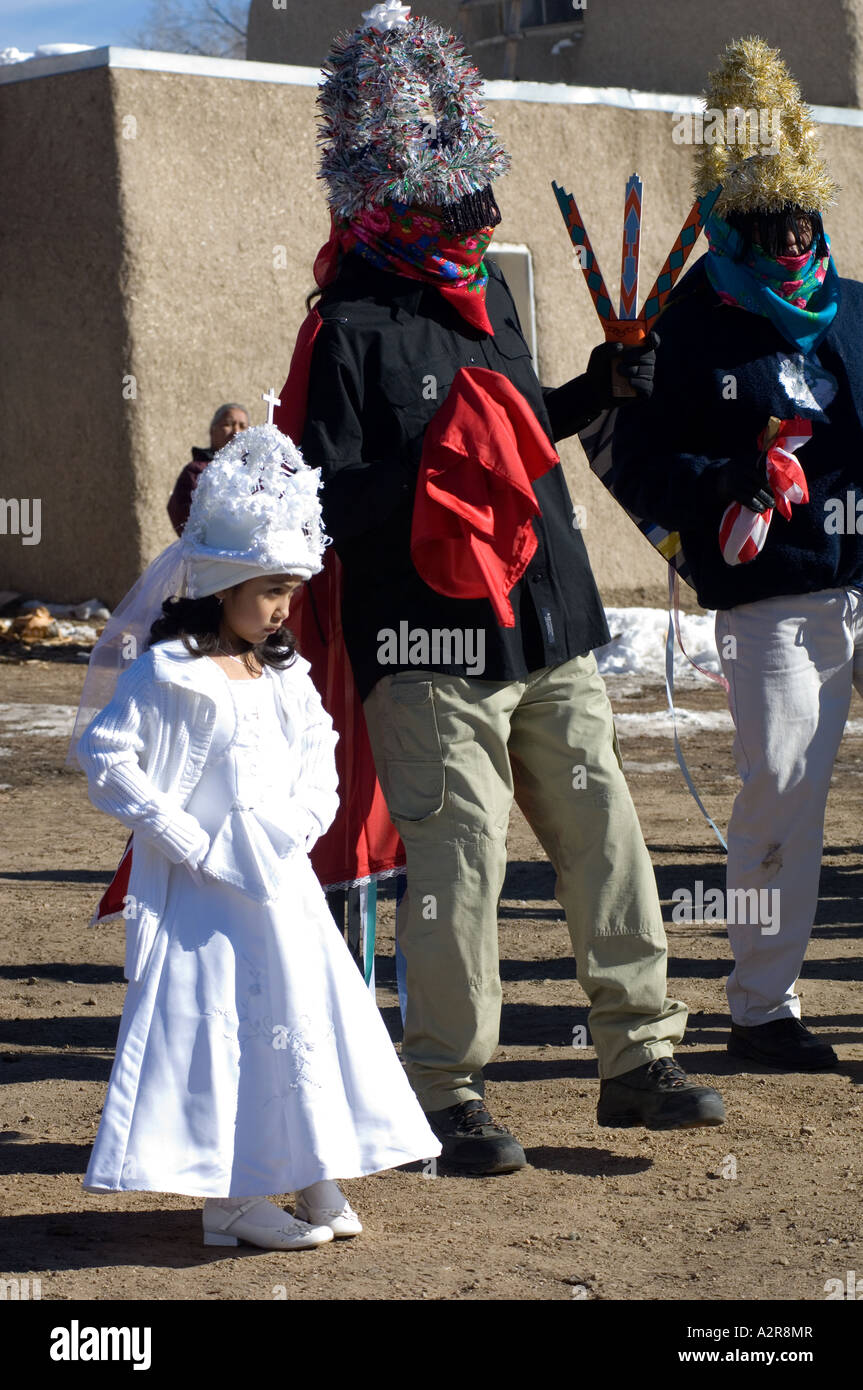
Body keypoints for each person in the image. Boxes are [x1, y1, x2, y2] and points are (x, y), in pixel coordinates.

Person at [280, 6, 725, 1176]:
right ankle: (444, 1087)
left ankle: (638, 1058)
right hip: (427, 652)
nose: (474, 226)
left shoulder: (490, 302)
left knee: (606, 836)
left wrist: (591, 389)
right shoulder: (347, 331)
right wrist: (436, 480)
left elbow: (522, 436)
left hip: (551, 628)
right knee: (460, 864)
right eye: (450, 208)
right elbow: (320, 503)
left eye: (478, 203)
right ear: (392, 206)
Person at [73, 423, 440, 1249]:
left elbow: (321, 756)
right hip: (207, 893)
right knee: (223, 1023)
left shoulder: (283, 668)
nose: (282, 607)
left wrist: (298, 823)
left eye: (289, 590)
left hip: (280, 878)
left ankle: (312, 1163)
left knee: (303, 1013)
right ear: (220, 584)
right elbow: (105, 753)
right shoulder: (171, 672)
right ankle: (230, 1197)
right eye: (267, 589)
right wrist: (183, 837)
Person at [609, 37, 859, 1071]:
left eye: (802, 223)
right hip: (771, 605)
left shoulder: (853, 306)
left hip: (858, 582)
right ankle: (761, 1006)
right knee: (778, 796)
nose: (790, 244)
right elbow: (641, 460)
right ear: (727, 225)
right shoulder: (687, 325)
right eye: (767, 228)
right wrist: (725, 482)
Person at [167, 402, 249, 535]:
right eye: (228, 424)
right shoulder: (195, 472)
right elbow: (185, 518)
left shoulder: (253, 471)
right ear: (212, 431)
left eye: (243, 426)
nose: (236, 432)